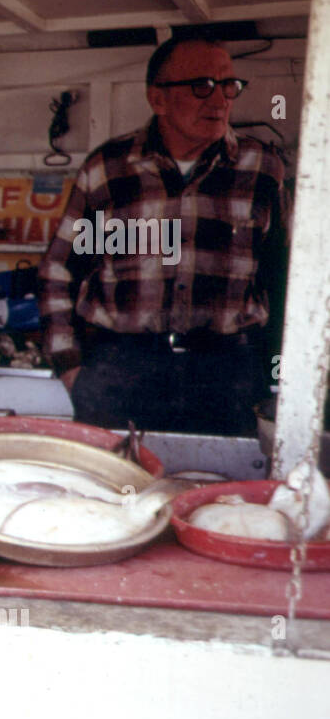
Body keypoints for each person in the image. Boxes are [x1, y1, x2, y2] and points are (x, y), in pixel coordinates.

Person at [40, 34, 288, 435]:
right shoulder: (107, 169)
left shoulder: (263, 168)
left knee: (224, 476)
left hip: (227, 375)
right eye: (202, 86)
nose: (220, 100)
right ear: (157, 99)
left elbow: (286, 276)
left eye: (228, 86)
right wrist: (68, 364)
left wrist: (279, 369)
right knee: (115, 474)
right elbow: (59, 270)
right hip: (121, 370)